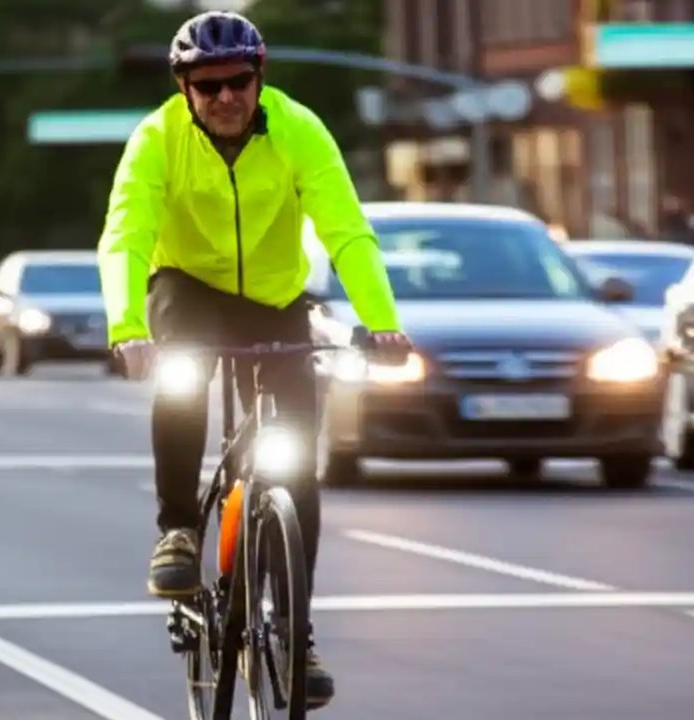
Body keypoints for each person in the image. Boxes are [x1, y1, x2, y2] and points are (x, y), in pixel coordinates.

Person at [95, 9, 411, 709]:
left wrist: (382, 324)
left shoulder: (298, 129)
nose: (225, 98)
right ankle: (178, 528)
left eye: (238, 81)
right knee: (182, 375)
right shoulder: (155, 141)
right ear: (185, 91)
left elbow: (347, 231)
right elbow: (126, 236)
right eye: (208, 87)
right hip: (188, 286)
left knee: (297, 457)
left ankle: (296, 634)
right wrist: (125, 327)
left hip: (274, 296)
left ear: (258, 77)